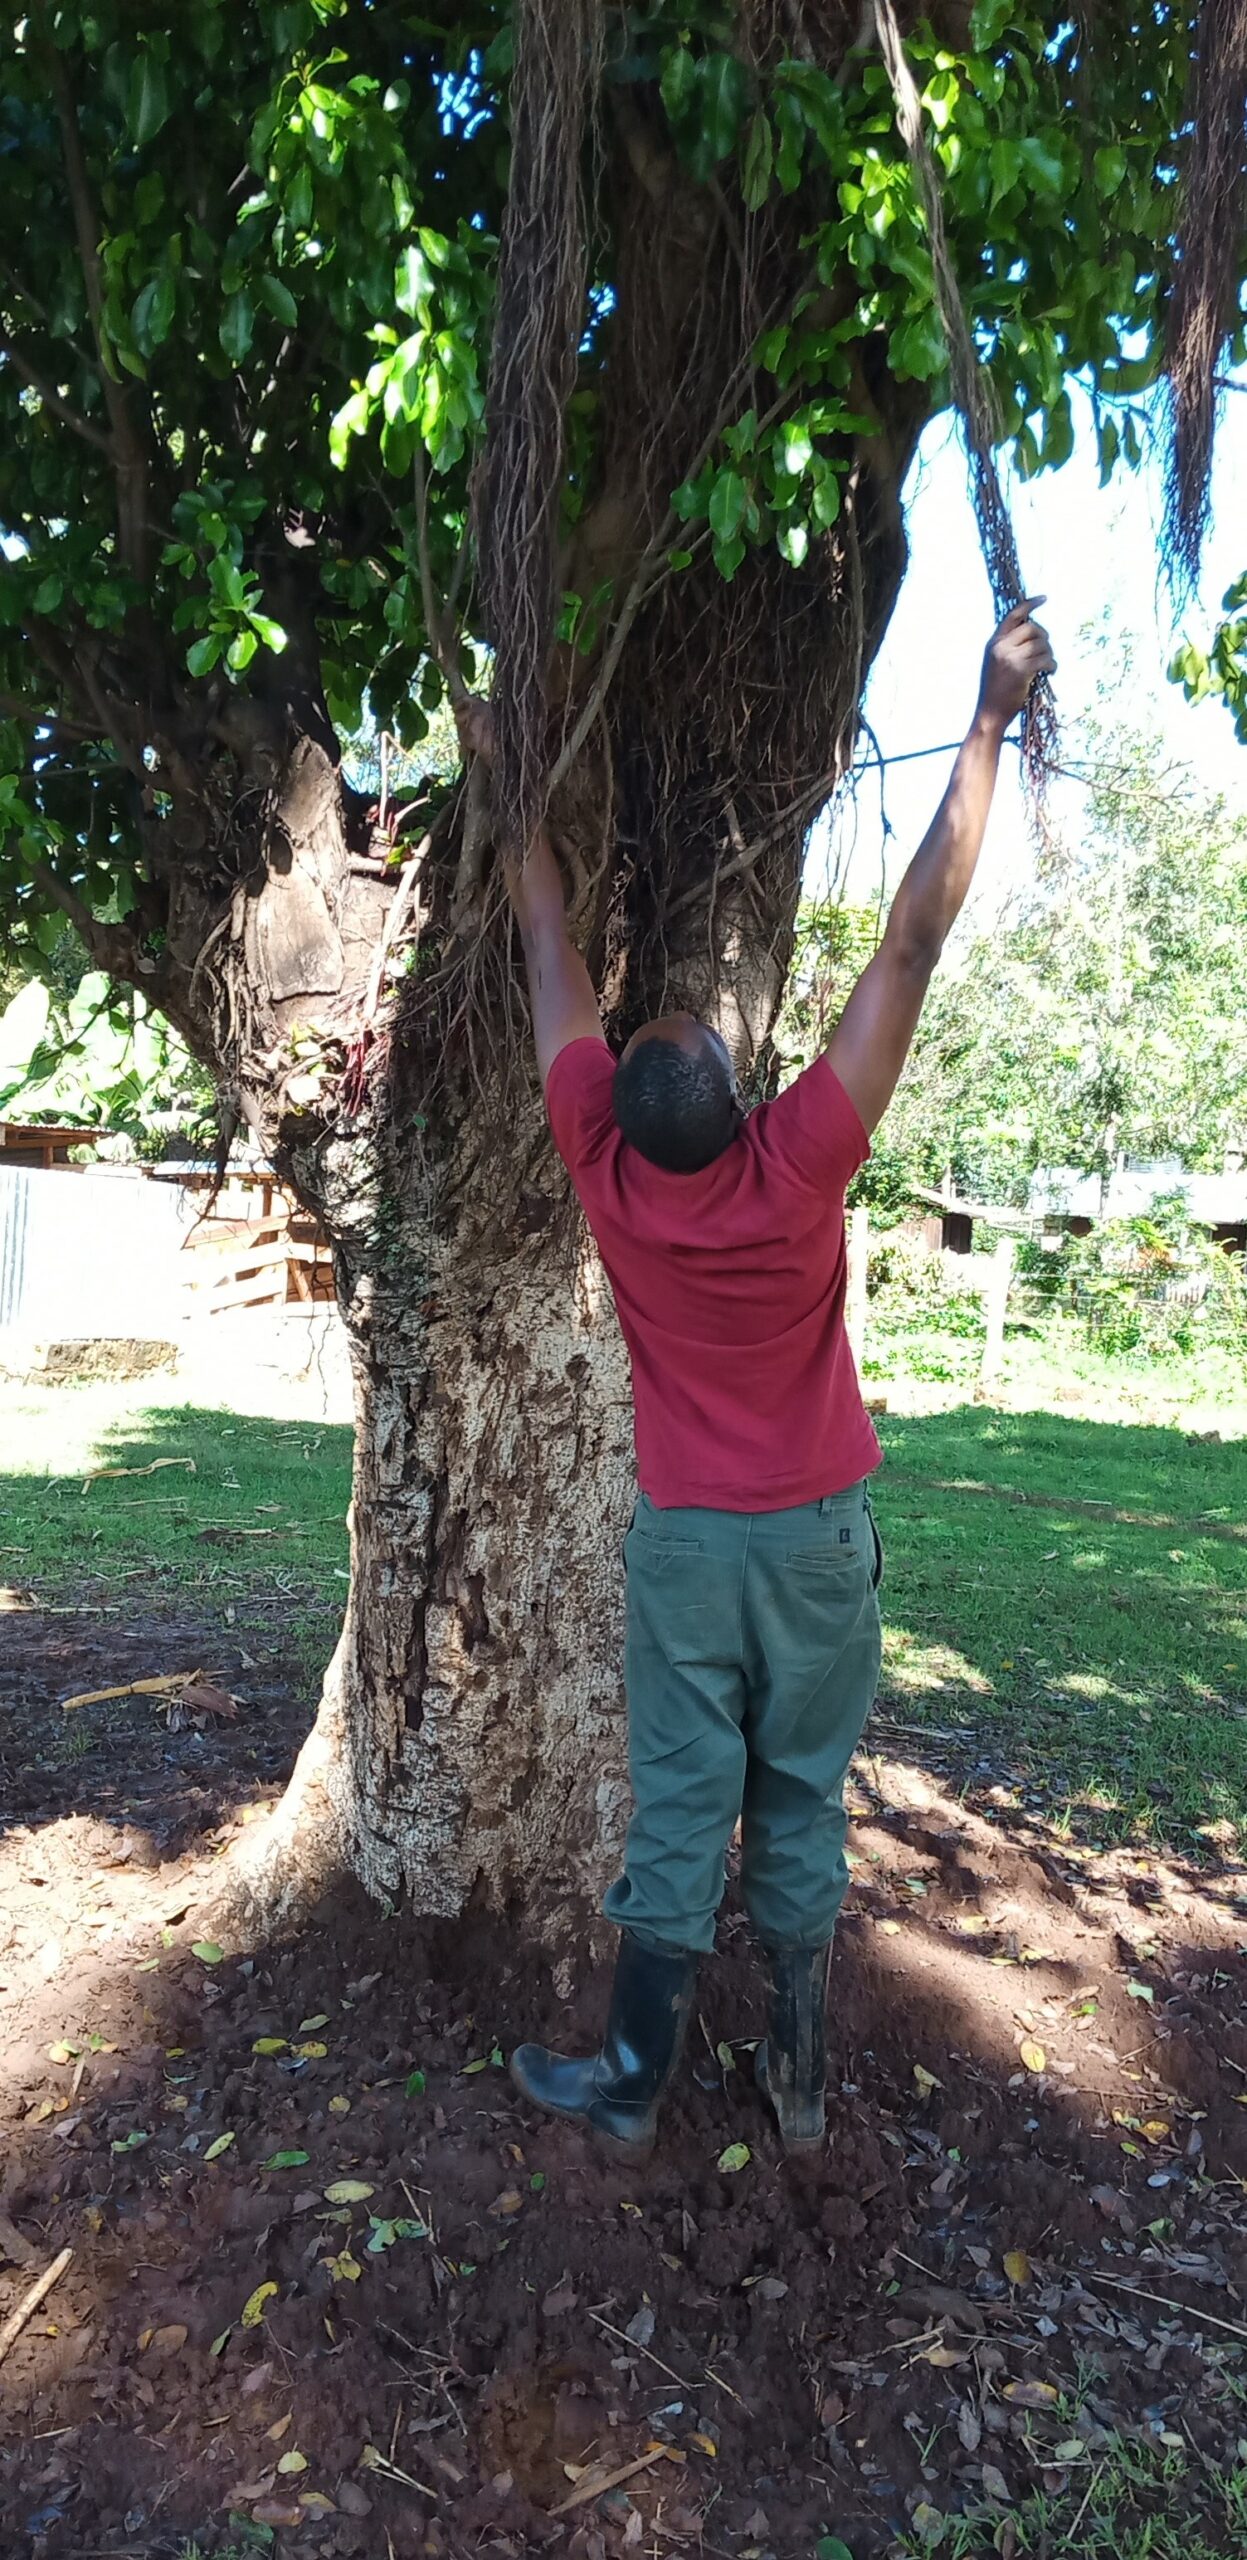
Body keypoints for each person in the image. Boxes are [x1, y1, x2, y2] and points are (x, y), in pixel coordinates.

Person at [454, 599, 1054, 2160]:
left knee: (679, 1805)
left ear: (627, 1114)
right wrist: (985, 720)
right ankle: (794, 2078)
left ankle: (635, 2084)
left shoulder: (603, 1170)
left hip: (686, 1549)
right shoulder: (796, 1165)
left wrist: (506, 782)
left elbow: (546, 947)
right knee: (800, 1791)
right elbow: (912, 941)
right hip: (814, 1546)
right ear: (736, 1094)